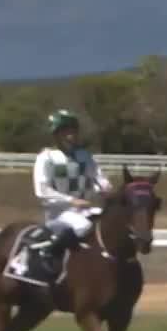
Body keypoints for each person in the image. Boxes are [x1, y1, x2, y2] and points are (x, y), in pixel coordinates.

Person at [31, 109, 111, 276]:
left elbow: (97, 177)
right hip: (58, 214)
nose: (71, 135)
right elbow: (42, 190)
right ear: (56, 134)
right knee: (84, 226)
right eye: (66, 131)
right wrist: (71, 200)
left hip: (85, 210)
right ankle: (49, 253)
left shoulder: (84, 155)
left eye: (73, 130)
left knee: (108, 224)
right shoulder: (46, 157)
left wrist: (105, 188)